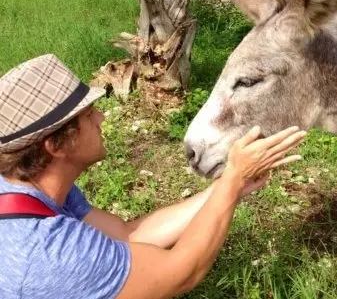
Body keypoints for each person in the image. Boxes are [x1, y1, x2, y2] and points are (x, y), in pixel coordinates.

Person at [0, 54, 306, 299]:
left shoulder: (30, 190)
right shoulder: (50, 255)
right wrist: (232, 180)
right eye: (88, 115)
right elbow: (180, 273)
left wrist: (230, 187)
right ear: (55, 145)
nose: (102, 117)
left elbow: (126, 234)